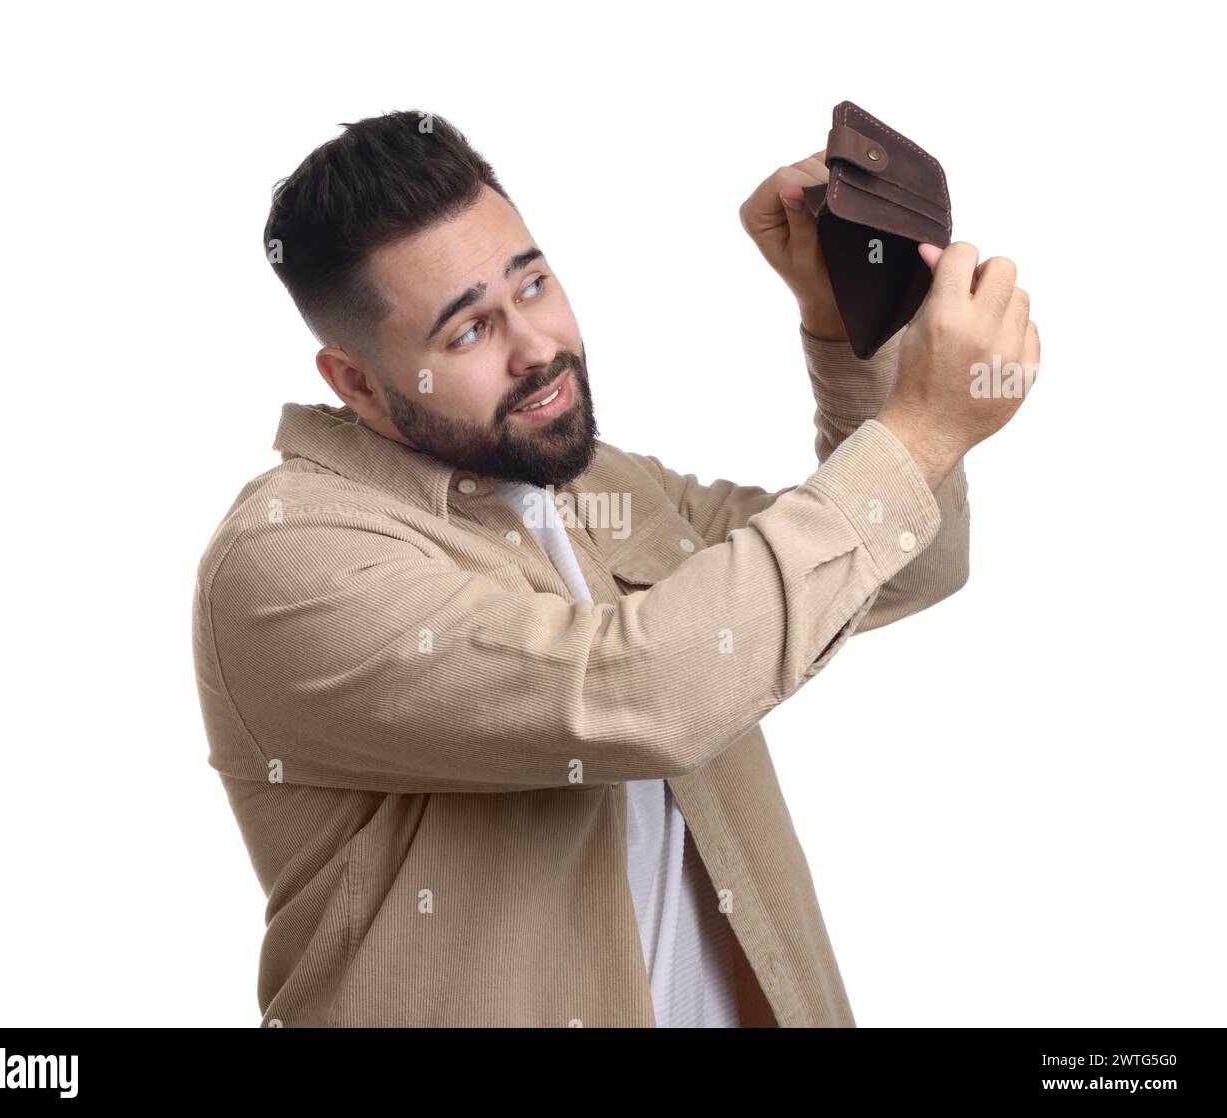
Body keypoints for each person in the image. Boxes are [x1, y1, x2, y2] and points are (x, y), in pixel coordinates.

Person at [191, 110, 1038, 1027]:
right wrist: (921, 428)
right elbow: (638, 692)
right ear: (354, 382)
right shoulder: (289, 560)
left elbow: (907, 567)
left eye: (534, 283)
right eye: (468, 332)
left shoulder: (599, 485)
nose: (537, 348)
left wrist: (843, 336)